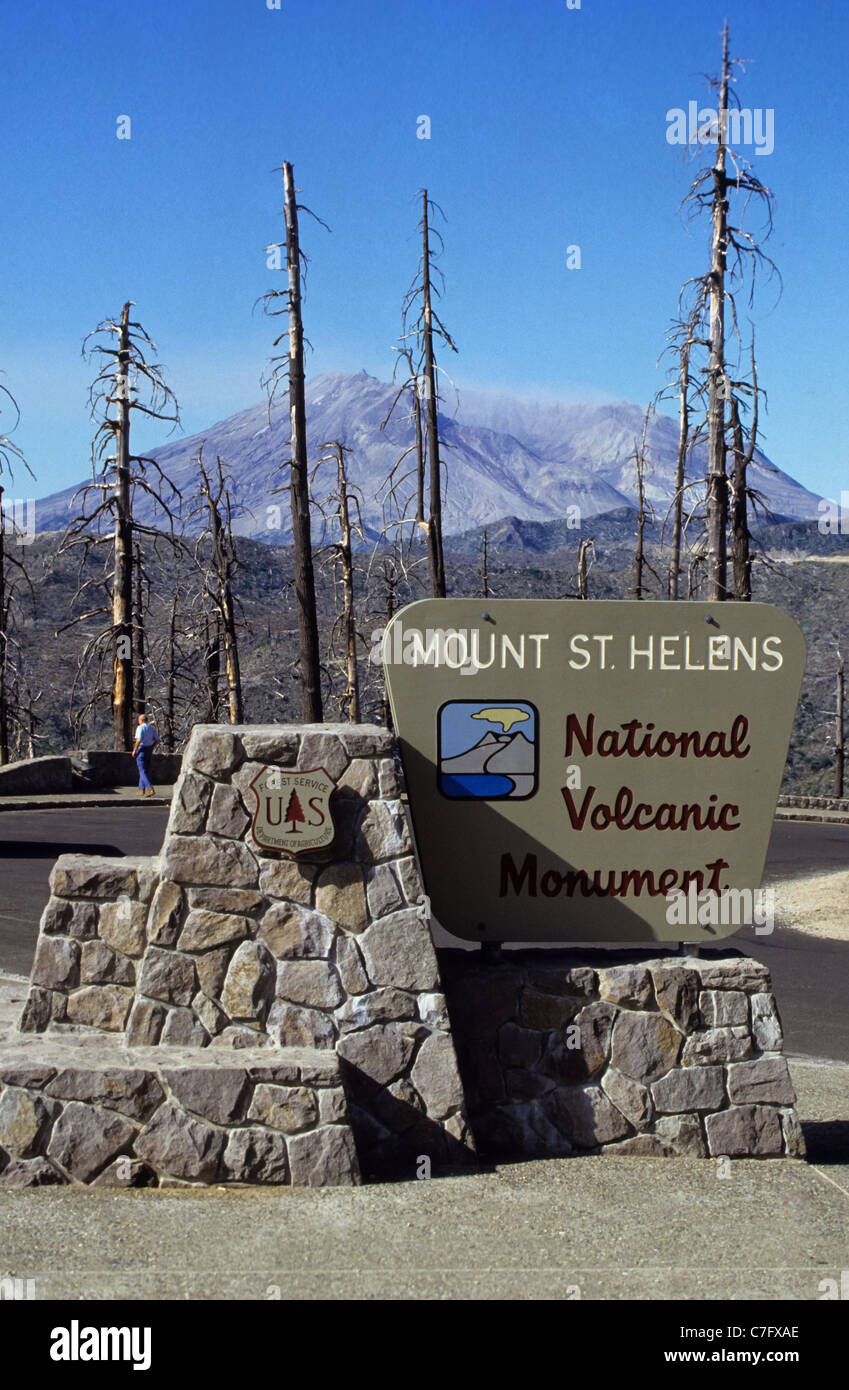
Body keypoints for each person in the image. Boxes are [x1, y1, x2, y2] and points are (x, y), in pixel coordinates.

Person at [132, 713, 160, 798]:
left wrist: (134, 750)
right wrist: (152, 746)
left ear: (140, 721)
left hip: (142, 749)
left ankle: (150, 788)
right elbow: (157, 740)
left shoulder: (140, 728)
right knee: (145, 770)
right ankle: (141, 789)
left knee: (141, 770)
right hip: (149, 749)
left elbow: (139, 740)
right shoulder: (151, 728)